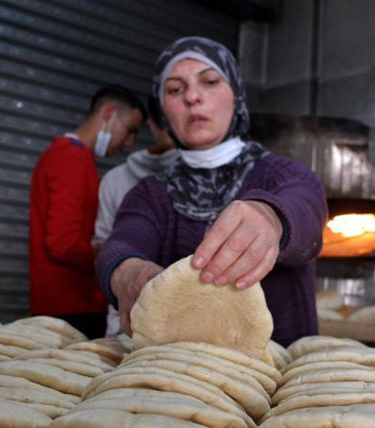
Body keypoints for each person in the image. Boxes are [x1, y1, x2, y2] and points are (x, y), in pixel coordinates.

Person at [96, 37, 327, 346]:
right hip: (178, 378)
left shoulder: (286, 174)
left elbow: (306, 211)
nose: (192, 96)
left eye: (209, 81)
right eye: (175, 89)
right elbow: (122, 242)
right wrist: (127, 273)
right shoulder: (151, 194)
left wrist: (271, 217)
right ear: (163, 109)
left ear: (236, 92)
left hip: (282, 381)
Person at [30, 84, 146, 339]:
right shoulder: (72, 159)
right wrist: (107, 253)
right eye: (129, 130)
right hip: (72, 306)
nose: (128, 144)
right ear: (108, 113)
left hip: (60, 303)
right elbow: (62, 243)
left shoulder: (62, 154)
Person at [94, 94, 179, 336]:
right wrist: (129, 268)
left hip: (123, 320)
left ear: (150, 123)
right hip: (128, 319)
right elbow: (105, 248)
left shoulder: (114, 178)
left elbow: (99, 245)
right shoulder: (130, 184)